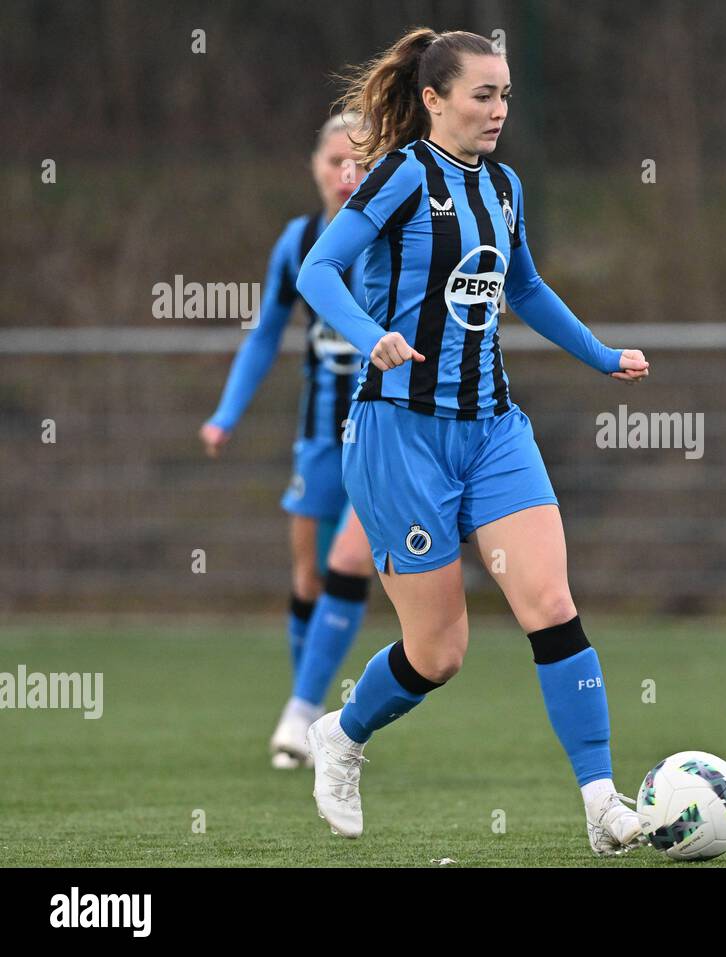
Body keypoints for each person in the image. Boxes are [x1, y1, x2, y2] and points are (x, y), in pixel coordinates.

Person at [295, 29, 650, 854]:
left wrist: (600, 355)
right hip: (398, 435)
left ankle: (601, 803)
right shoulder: (397, 177)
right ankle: (341, 737)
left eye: (506, 96)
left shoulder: (506, 186)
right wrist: (369, 333)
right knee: (440, 650)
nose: (498, 111)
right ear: (434, 99)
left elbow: (522, 283)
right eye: (482, 95)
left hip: (493, 428)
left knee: (551, 604)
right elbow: (319, 270)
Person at [201, 113, 376, 769]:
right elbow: (265, 334)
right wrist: (225, 414)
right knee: (307, 574)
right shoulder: (299, 239)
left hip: (382, 432)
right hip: (318, 436)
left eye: (358, 161)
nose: (345, 173)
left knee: (349, 564)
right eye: (334, 160)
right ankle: (315, 715)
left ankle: (301, 713)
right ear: (315, 168)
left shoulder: (391, 235)